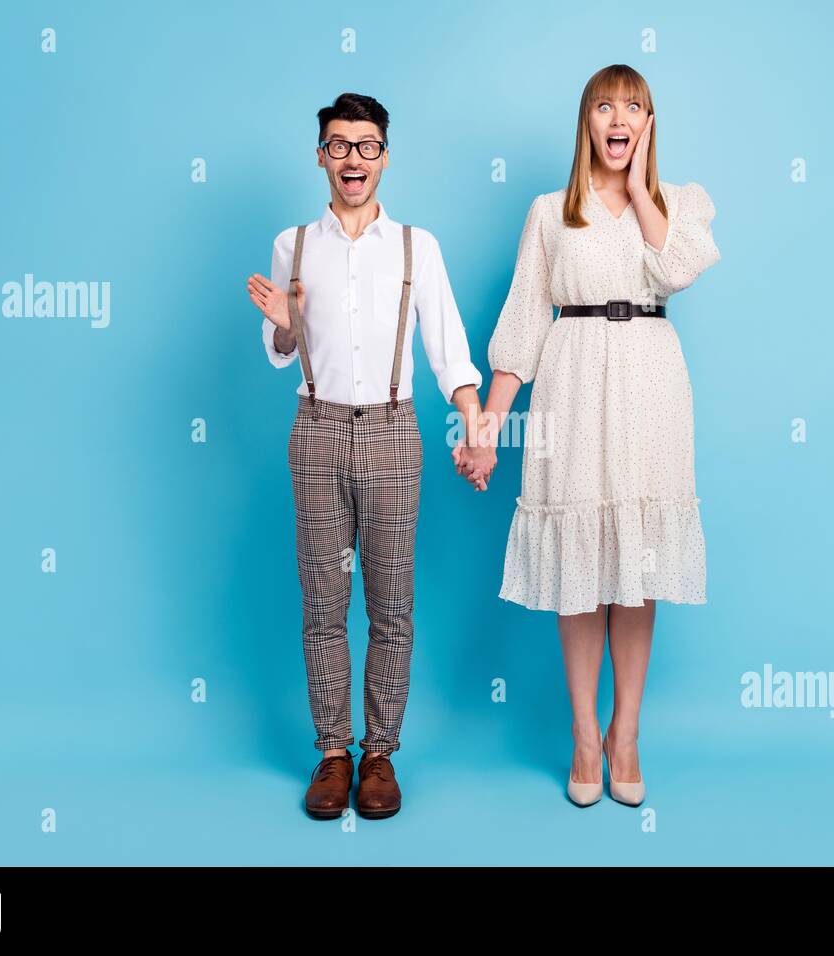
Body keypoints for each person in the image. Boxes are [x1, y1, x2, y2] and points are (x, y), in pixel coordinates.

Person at [459, 64, 721, 807]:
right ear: (587, 121)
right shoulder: (550, 211)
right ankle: (583, 736)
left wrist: (640, 190)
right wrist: (487, 426)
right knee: (580, 564)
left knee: (636, 566)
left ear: (647, 125)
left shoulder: (676, 204)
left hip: (650, 382)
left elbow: (678, 270)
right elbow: (521, 324)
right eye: (605, 105)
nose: (619, 117)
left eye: (633, 107)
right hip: (570, 386)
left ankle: (625, 736)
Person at [247, 92, 491, 819]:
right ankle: (331, 753)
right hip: (316, 427)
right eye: (339, 145)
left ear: (384, 156)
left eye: (367, 145)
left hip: (392, 429)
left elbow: (449, 348)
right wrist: (287, 327)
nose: (353, 158)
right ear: (320, 156)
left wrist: (475, 423)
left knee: (392, 602)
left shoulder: (419, 247)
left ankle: (380, 753)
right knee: (322, 601)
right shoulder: (293, 244)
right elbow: (279, 352)